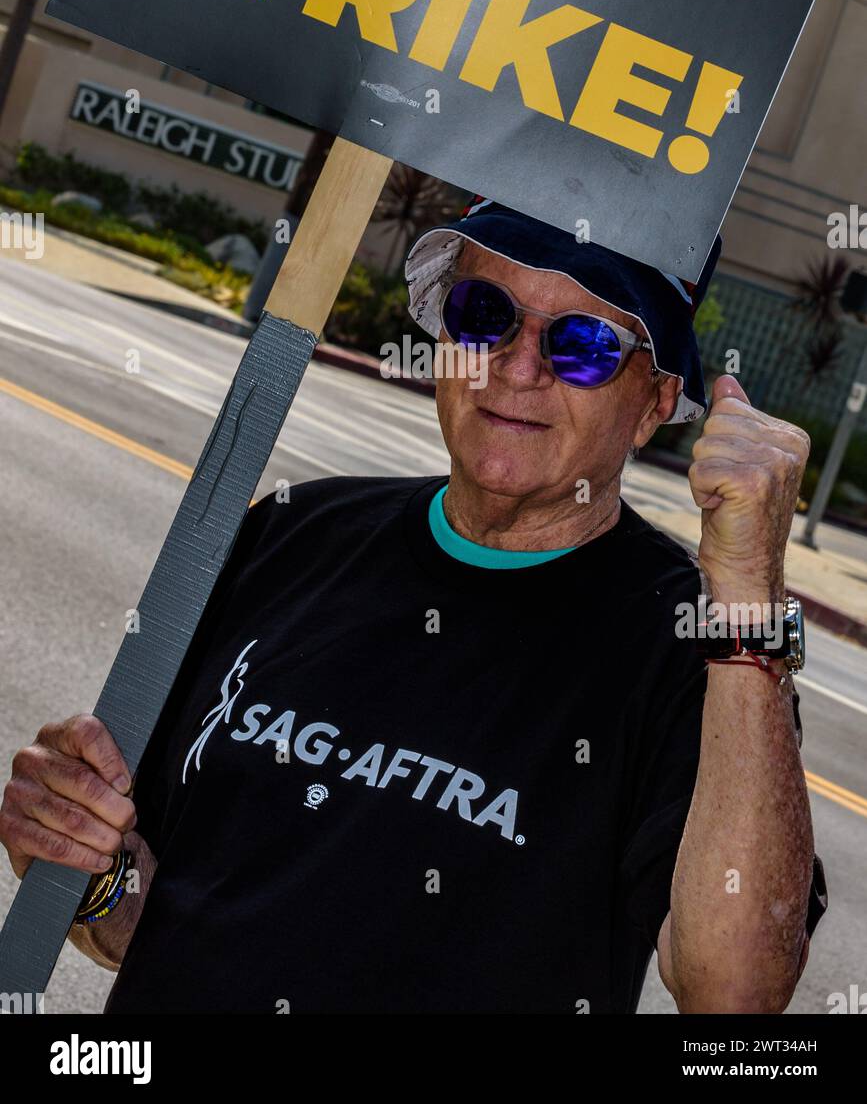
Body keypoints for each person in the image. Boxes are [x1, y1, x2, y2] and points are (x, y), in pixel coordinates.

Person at [0, 198, 827, 1013]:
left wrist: (750, 593)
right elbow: (162, 913)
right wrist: (85, 864)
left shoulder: (699, 645)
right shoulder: (289, 534)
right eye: (483, 313)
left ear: (653, 403)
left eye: (582, 346)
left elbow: (737, 997)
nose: (516, 367)